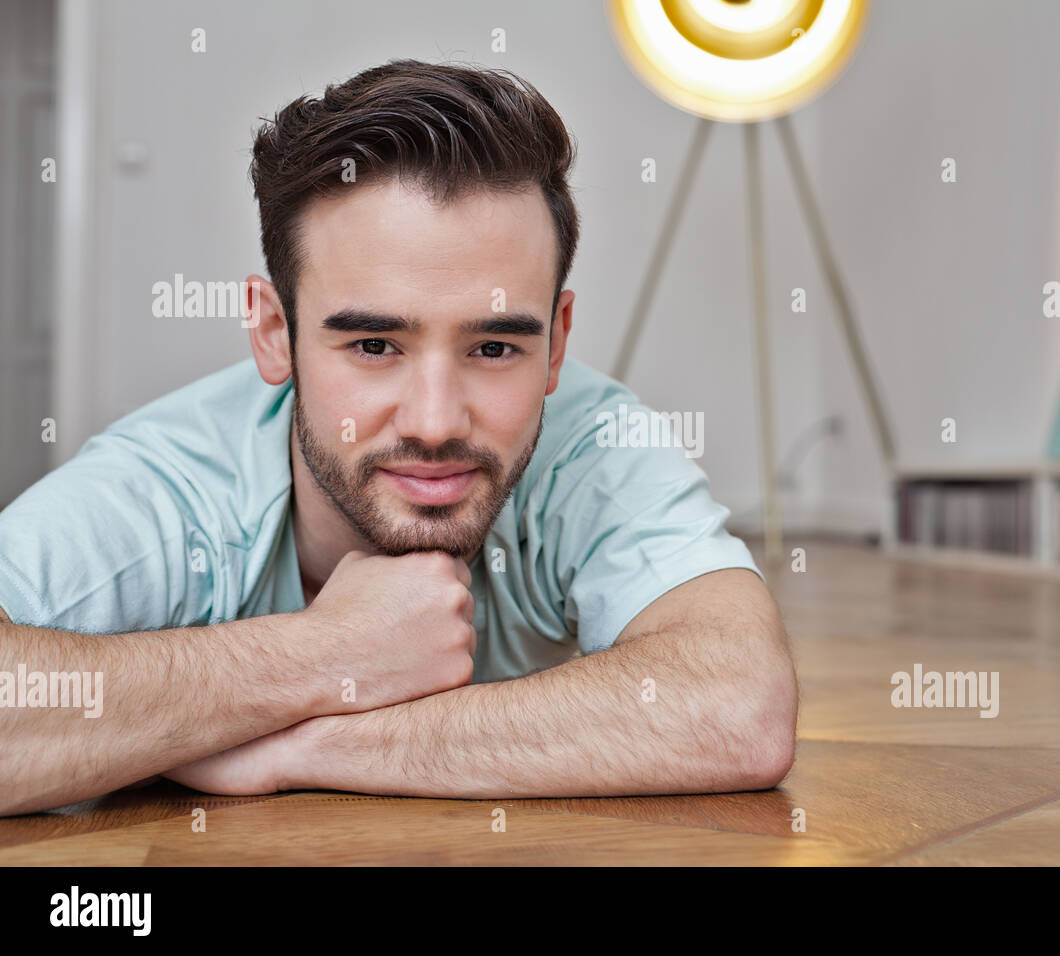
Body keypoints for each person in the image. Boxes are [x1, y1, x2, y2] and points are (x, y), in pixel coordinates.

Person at [0, 60, 797, 816]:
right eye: (374, 346)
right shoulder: (166, 490)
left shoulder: (592, 443)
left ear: (556, 344)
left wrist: (304, 749)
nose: (436, 422)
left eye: (493, 348)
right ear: (275, 332)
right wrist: (324, 653)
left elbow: (740, 703)